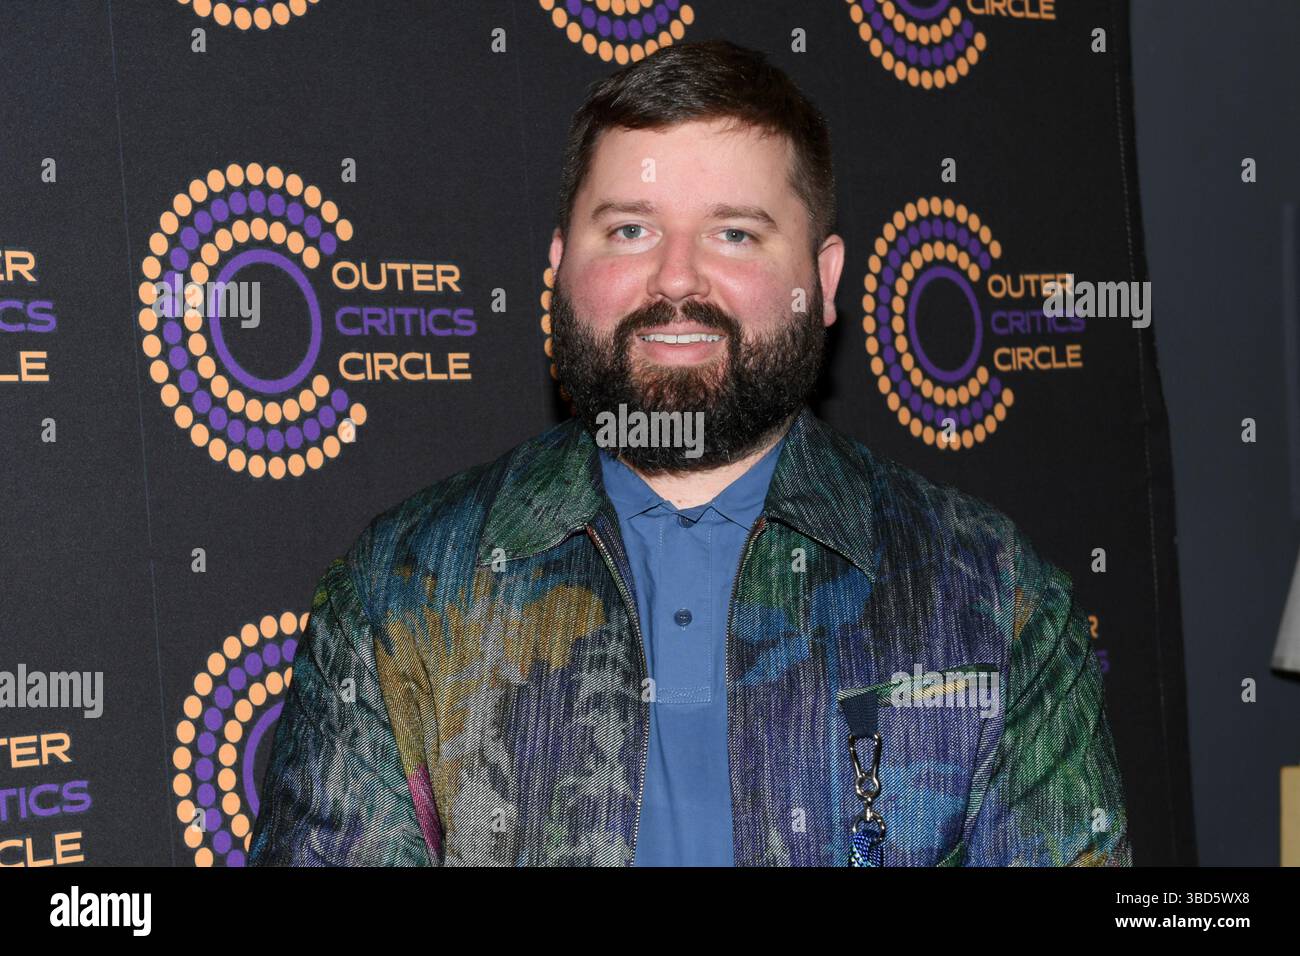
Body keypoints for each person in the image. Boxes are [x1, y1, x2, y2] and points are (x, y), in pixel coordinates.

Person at [248, 39, 1130, 867]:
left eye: (734, 233)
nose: (676, 278)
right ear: (559, 268)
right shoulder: (400, 588)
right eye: (630, 229)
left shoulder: (992, 600)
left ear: (821, 282)